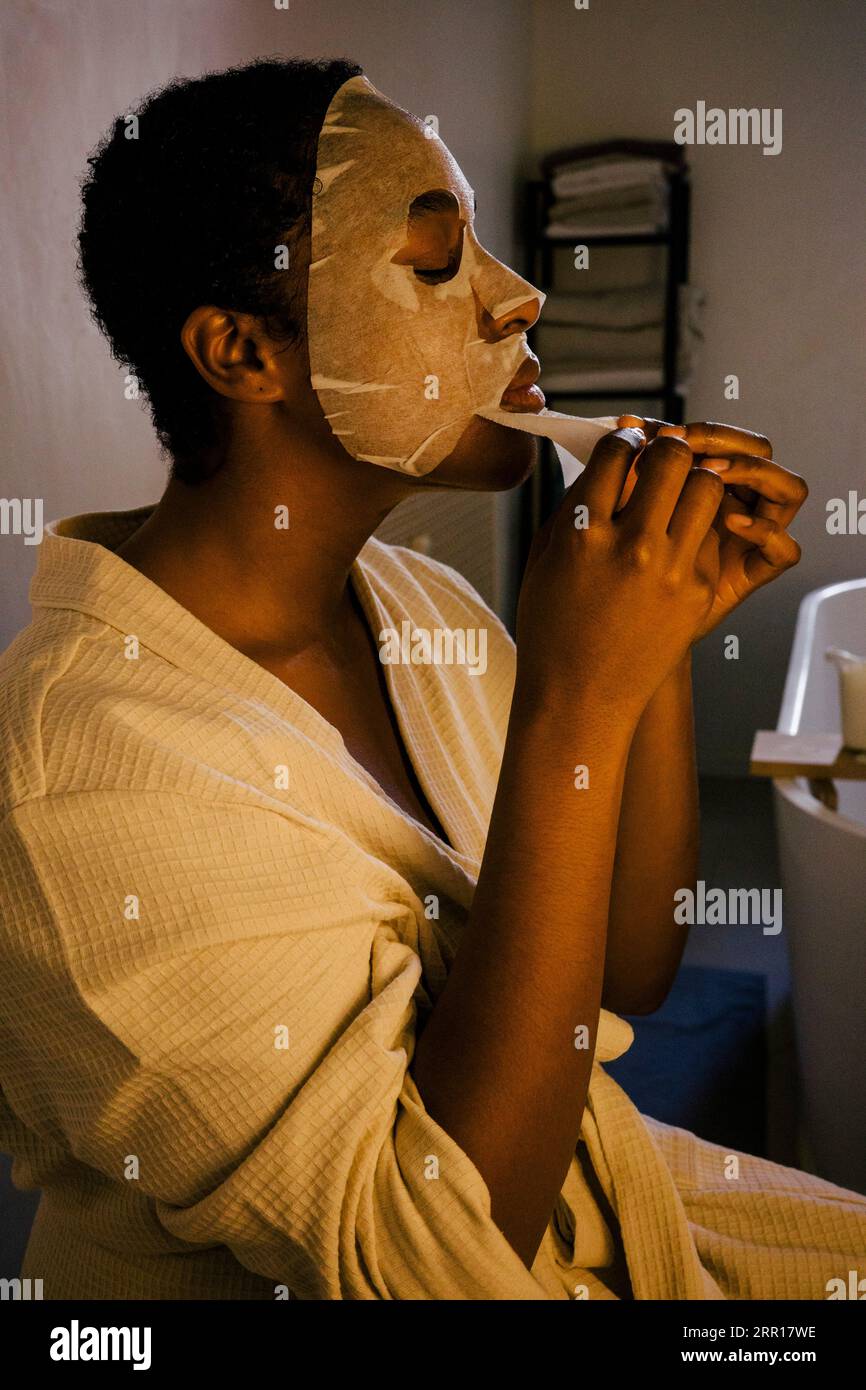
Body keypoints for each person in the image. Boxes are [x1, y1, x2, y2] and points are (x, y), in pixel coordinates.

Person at [0, 56, 863, 1301]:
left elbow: (622, 972)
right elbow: (436, 1266)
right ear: (245, 353)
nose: (515, 302)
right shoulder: (77, 784)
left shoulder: (422, 613)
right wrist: (575, 691)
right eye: (433, 262)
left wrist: (647, 643)